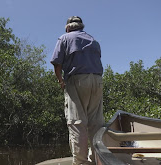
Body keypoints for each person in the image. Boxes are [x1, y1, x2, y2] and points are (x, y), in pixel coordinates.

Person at [50, 16, 105, 165]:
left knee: (77, 122)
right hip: (97, 81)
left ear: (68, 28)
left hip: (77, 80)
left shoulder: (64, 38)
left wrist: (61, 81)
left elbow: (57, 64)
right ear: (81, 27)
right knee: (96, 123)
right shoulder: (93, 40)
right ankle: (97, 159)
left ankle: (81, 162)